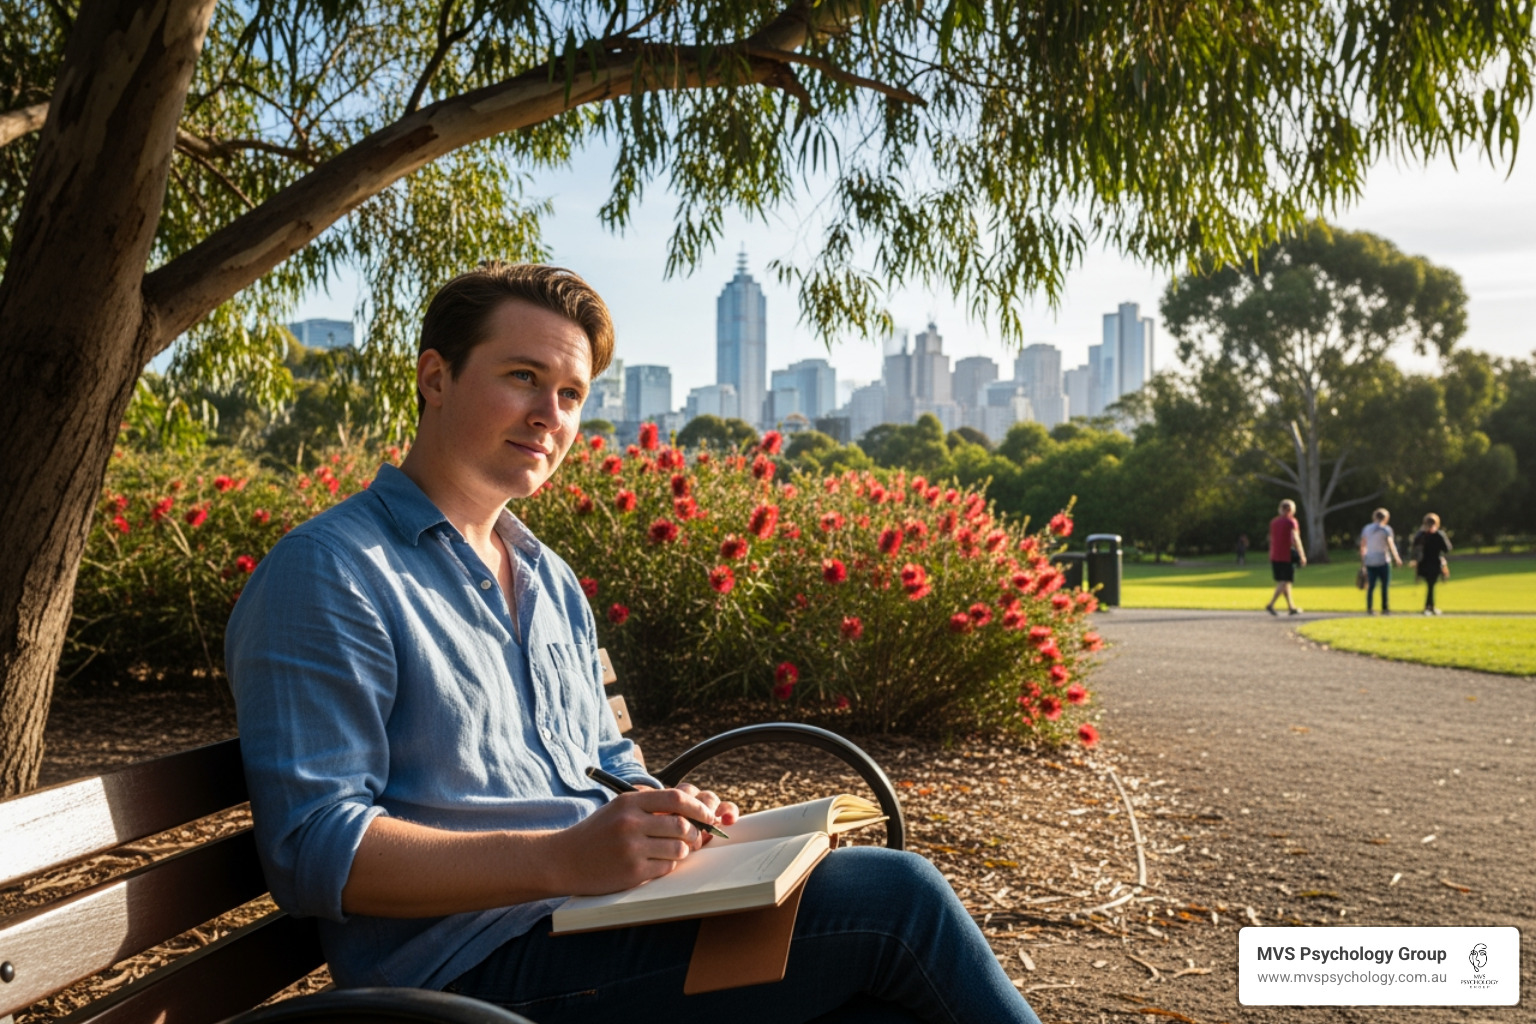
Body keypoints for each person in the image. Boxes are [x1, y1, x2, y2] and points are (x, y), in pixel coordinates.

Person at [226, 263, 1042, 1024]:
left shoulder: (544, 575)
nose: (551, 415)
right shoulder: (331, 573)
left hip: (603, 919)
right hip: (468, 981)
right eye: (523, 378)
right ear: (435, 378)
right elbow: (313, 850)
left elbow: (601, 766)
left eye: (572, 393)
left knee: (877, 995)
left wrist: (669, 817)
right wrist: (563, 860)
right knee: (897, 906)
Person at [1264, 499, 1307, 615]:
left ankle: (1291, 607)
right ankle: (1271, 604)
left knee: (1286, 582)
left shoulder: (1274, 522)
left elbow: (1271, 539)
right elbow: (1295, 539)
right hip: (1286, 556)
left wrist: (1270, 552)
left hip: (1275, 555)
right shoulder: (1291, 522)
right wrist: (1302, 554)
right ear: (1292, 510)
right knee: (1284, 581)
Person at [1357, 508, 1402, 615]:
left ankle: (1369, 608)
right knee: (1384, 586)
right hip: (1383, 560)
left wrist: (1363, 561)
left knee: (1371, 586)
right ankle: (1385, 608)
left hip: (1370, 560)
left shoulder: (1367, 529)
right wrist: (1397, 558)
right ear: (1386, 518)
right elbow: (1391, 545)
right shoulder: (1386, 529)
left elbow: (1363, 546)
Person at [1410, 512, 1453, 615]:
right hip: (1434, 563)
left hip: (1423, 563)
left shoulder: (1421, 535)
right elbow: (1447, 548)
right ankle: (1429, 606)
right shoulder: (1438, 534)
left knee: (1430, 585)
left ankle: (1429, 606)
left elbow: (1414, 549)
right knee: (1431, 585)